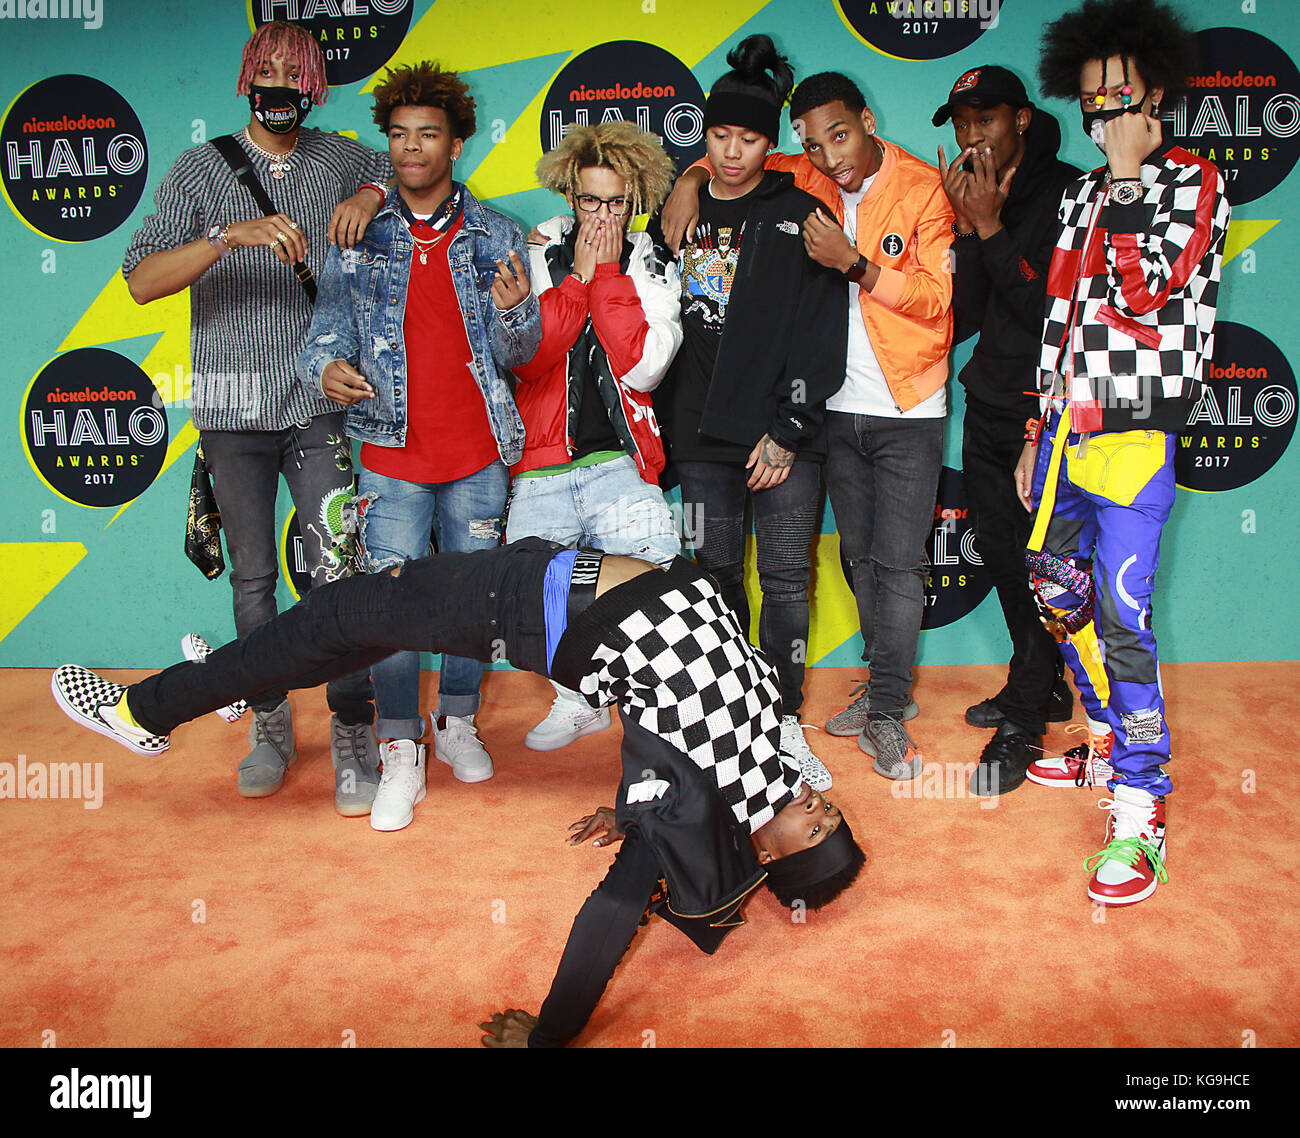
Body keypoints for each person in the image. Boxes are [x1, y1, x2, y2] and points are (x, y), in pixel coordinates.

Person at [50, 542, 865, 1046]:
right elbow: (684, 749)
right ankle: (237, 681)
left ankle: (145, 711)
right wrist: (626, 811)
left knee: (347, 613)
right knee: (347, 625)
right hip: (548, 570)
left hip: (519, 603)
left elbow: (615, 912)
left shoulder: (714, 809)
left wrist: (550, 1035)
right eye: (837, 824)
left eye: (815, 842)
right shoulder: (765, 763)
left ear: (770, 858)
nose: (823, 818)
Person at [122, 20, 391, 815]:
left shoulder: (339, 155)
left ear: (315, 85)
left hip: (317, 406)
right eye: (267, 68)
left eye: (295, 71)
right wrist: (223, 236)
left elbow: (398, 169)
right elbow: (141, 280)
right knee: (252, 580)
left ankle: (352, 726)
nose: (281, 83)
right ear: (247, 77)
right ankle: (270, 721)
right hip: (233, 411)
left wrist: (369, 193)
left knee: (337, 572)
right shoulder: (200, 170)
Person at [663, 68, 953, 782]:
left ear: (867, 122)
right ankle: (739, 710)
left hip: (894, 403)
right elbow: (731, 154)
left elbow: (931, 300)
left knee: (862, 568)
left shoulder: (907, 190)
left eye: (840, 134)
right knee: (820, 564)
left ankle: (853, 710)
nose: (829, 154)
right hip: (812, 415)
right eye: (813, 143)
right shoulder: (804, 175)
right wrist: (687, 177)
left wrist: (853, 264)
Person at [1016, 0, 1229, 904]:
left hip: (1137, 438)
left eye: (1121, 97)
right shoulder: (1079, 192)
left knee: (1124, 623)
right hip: (1068, 436)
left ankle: (1142, 813)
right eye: (1094, 103)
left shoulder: (1194, 182)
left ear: (1158, 94)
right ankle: (1106, 741)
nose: (1106, 115)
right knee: (1057, 594)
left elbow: (1144, 298)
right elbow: (1060, 318)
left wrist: (1133, 174)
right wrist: (1037, 431)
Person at [298, 62, 541, 832]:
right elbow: (320, 338)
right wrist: (326, 368)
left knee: (473, 601)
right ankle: (401, 745)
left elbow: (523, 352)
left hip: (478, 455)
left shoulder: (499, 233)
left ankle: (458, 719)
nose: (411, 149)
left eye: (427, 135)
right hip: (390, 453)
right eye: (399, 135)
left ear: (456, 144)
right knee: (392, 609)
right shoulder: (357, 234)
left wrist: (513, 316)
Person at [649, 36, 848, 791]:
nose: (733, 152)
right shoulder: (678, 205)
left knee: (789, 576)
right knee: (713, 574)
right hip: (701, 434)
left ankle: (785, 718)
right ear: (703, 134)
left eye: (751, 138)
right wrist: (687, 180)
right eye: (720, 136)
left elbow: (821, 333)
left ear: (773, 143)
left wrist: (790, 431)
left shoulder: (801, 212)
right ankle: (733, 715)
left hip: (785, 433)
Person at [509, 122, 683, 754]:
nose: (604, 215)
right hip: (541, 461)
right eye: (591, 201)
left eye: (617, 202)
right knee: (530, 600)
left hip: (620, 460)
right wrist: (575, 281)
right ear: (570, 197)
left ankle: (660, 721)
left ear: (635, 200)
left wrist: (606, 273)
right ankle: (578, 697)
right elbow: (527, 356)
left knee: (661, 592)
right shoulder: (532, 254)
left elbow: (643, 366)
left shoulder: (654, 263)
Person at [932, 66, 1082, 796]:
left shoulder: (1070, 192)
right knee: (999, 551)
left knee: (1046, 563)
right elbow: (973, 313)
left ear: (1021, 120)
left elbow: (1047, 315)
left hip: (1046, 412)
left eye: (984, 119)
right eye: (961, 123)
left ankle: (1025, 716)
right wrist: (966, 230)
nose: (970, 136)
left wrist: (989, 224)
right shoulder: (978, 190)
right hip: (989, 400)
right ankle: (1044, 682)